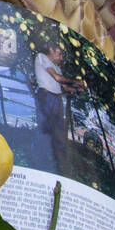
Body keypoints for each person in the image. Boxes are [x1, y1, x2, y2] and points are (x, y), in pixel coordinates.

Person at [33, 41, 85, 174]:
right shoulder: (42, 57)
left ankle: (59, 163)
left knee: (58, 129)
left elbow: (64, 87)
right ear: (51, 49)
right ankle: (37, 160)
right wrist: (76, 81)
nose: (61, 58)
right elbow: (57, 78)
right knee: (44, 127)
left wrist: (77, 89)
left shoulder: (58, 68)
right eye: (60, 54)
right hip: (46, 96)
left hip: (56, 98)